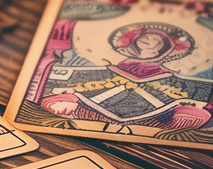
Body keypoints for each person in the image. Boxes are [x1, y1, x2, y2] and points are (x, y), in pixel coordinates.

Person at [37, 22, 213, 129]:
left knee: (193, 114)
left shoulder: (179, 81)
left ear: (164, 51)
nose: (149, 43)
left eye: (157, 43)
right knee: (60, 103)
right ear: (131, 42)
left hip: (154, 135)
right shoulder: (97, 71)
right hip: (84, 124)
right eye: (145, 39)